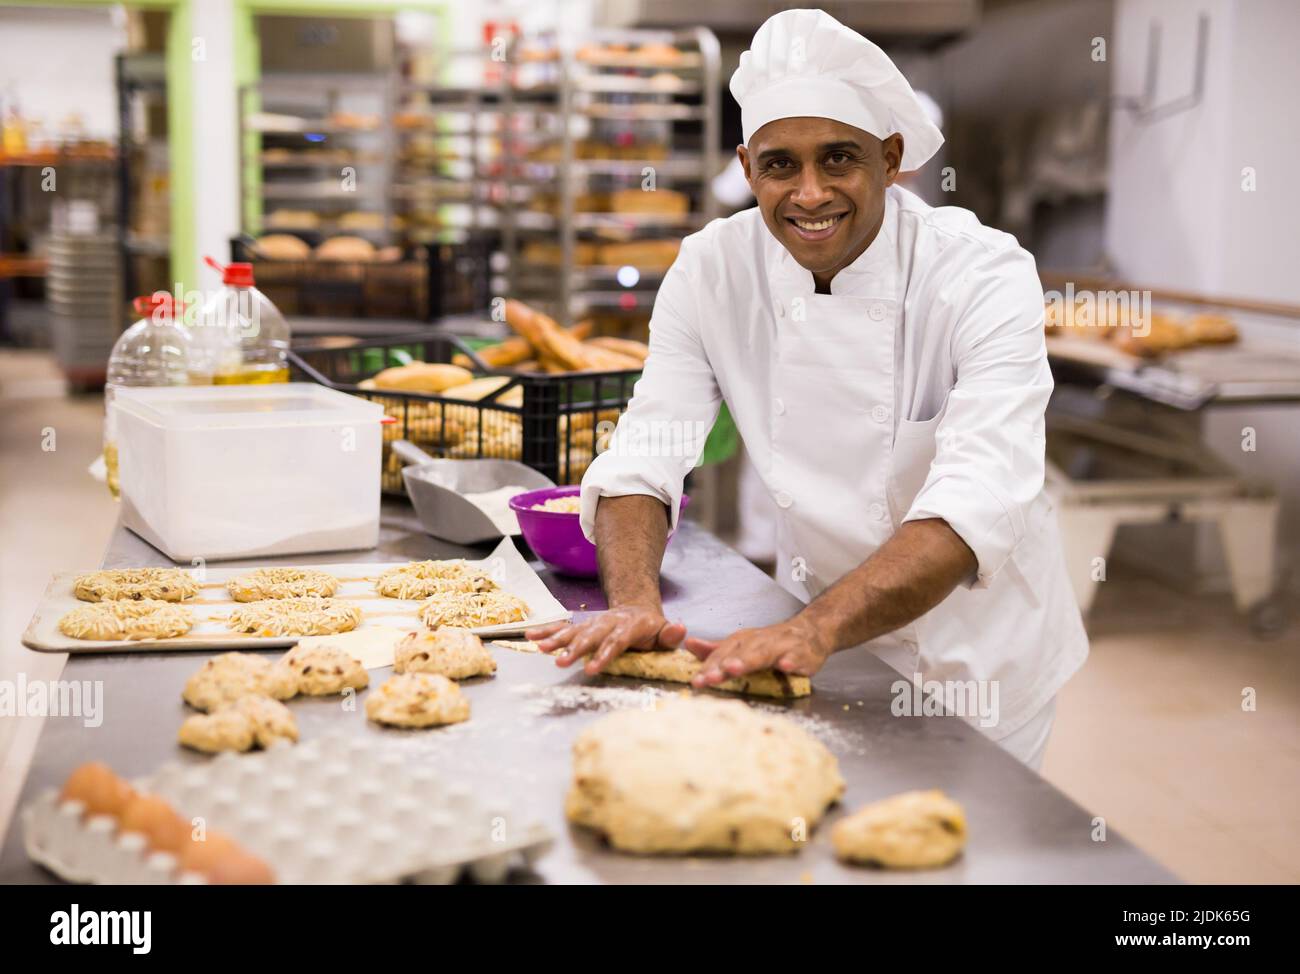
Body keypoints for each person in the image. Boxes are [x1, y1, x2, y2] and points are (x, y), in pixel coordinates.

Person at [526, 8, 1088, 769]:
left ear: (890, 158)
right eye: (780, 164)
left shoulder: (981, 274)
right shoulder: (712, 269)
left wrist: (815, 628)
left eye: (839, 159)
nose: (811, 193)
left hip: (977, 651)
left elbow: (977, 498)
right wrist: (633, 604)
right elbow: (647, 451)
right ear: (747, 165)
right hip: (821, 625)